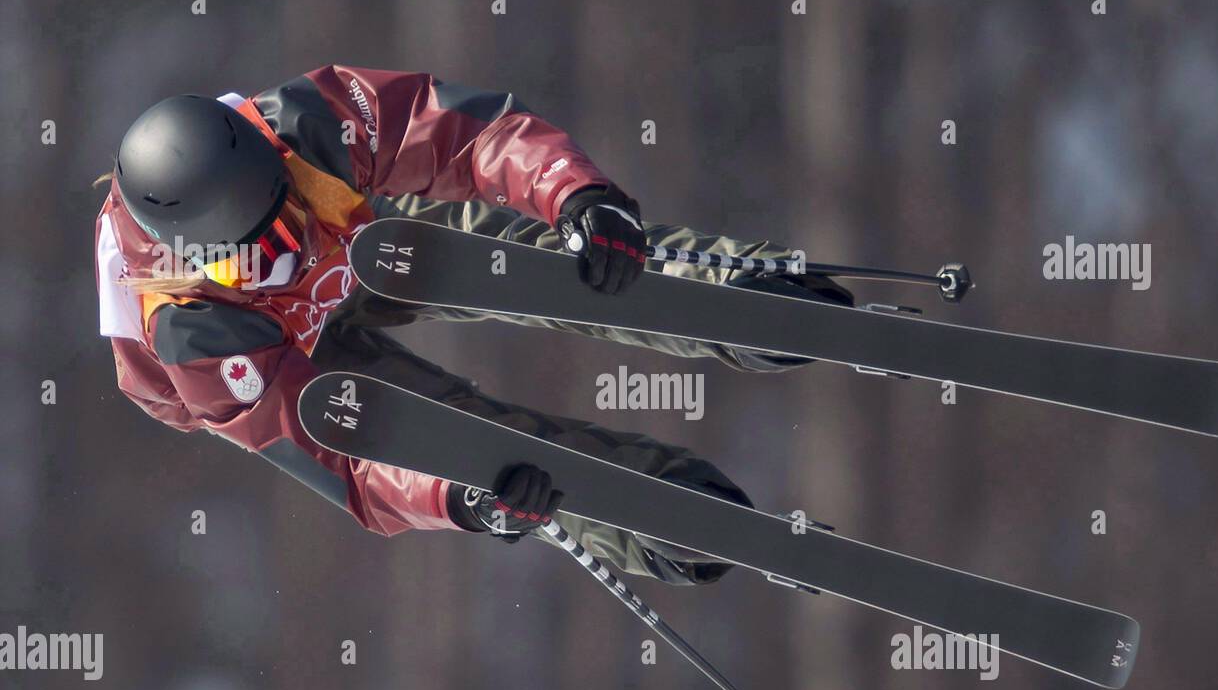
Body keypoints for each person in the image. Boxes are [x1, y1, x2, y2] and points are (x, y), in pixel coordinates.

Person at [95, 65, 851, 585]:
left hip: (355, 244)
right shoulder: (193, 332)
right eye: (255, 258)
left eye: (286, 219)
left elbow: (466, 134)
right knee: (452, 439)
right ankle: (660, 515)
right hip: (279, 356)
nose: (285, 258)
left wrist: (578, 196)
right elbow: (347, 463)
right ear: (198, 262)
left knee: (490, 251)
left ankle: (739, 293)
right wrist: (466, 497)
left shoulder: (307, 124)